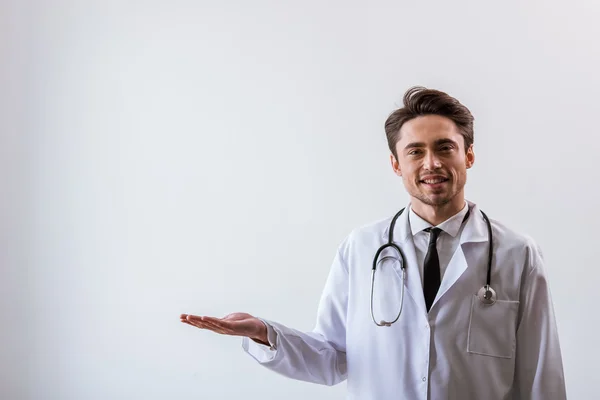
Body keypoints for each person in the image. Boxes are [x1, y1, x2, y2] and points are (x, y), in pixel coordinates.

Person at [180, 86, 567, 399]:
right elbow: (332, 358)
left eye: (444, 147)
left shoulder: (517, 254)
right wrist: (264, 333)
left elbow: (541, 375)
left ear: (468, 156)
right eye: (415, 151)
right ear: (397, 164)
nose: (431, 163)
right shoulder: (362, 248)